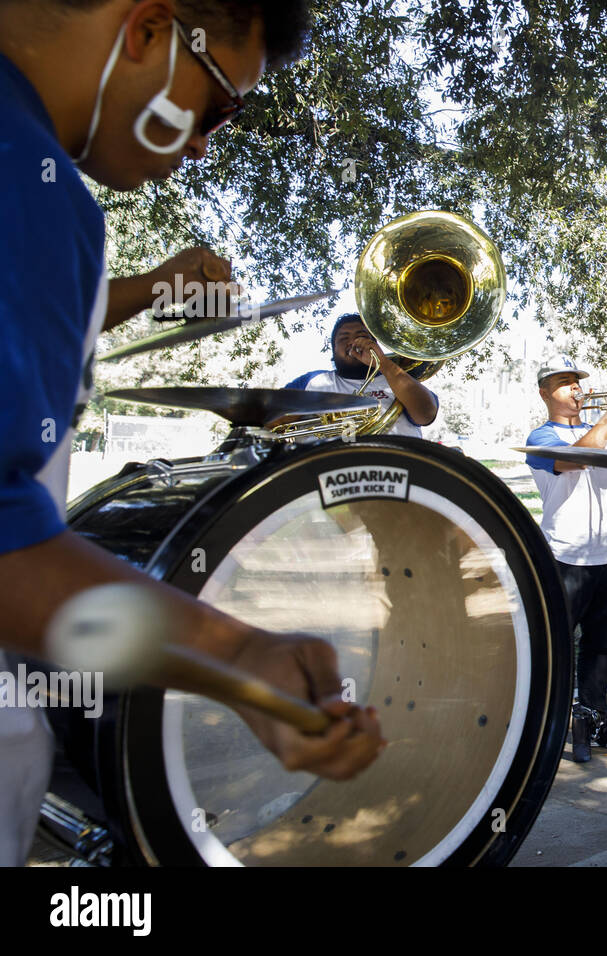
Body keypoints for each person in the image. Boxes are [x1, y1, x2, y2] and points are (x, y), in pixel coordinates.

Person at [0, 0, 383, 867]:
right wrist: (238, 652)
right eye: (218, 106)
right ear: (146, 31)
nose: (206, 143)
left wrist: (154, 288)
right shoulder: (27, 178)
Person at [525, 356, 607, 763]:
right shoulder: (539, 437)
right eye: (564, 383)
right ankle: (545, 731)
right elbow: (579, 457)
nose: (576, 389)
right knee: (554, 648)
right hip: (566, 557)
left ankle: (596, 723)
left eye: (577, 382)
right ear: (544, 393)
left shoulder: (606, 429)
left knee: (599, 647)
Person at [284, 313, 439, 436]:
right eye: (344, 338)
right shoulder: (313, 381)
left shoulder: (396, 378)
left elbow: (426, 414)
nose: (353, 342)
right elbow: (271, 420)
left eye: (362, 336)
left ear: (376, 346)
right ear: (333, 351)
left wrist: (383, 363)